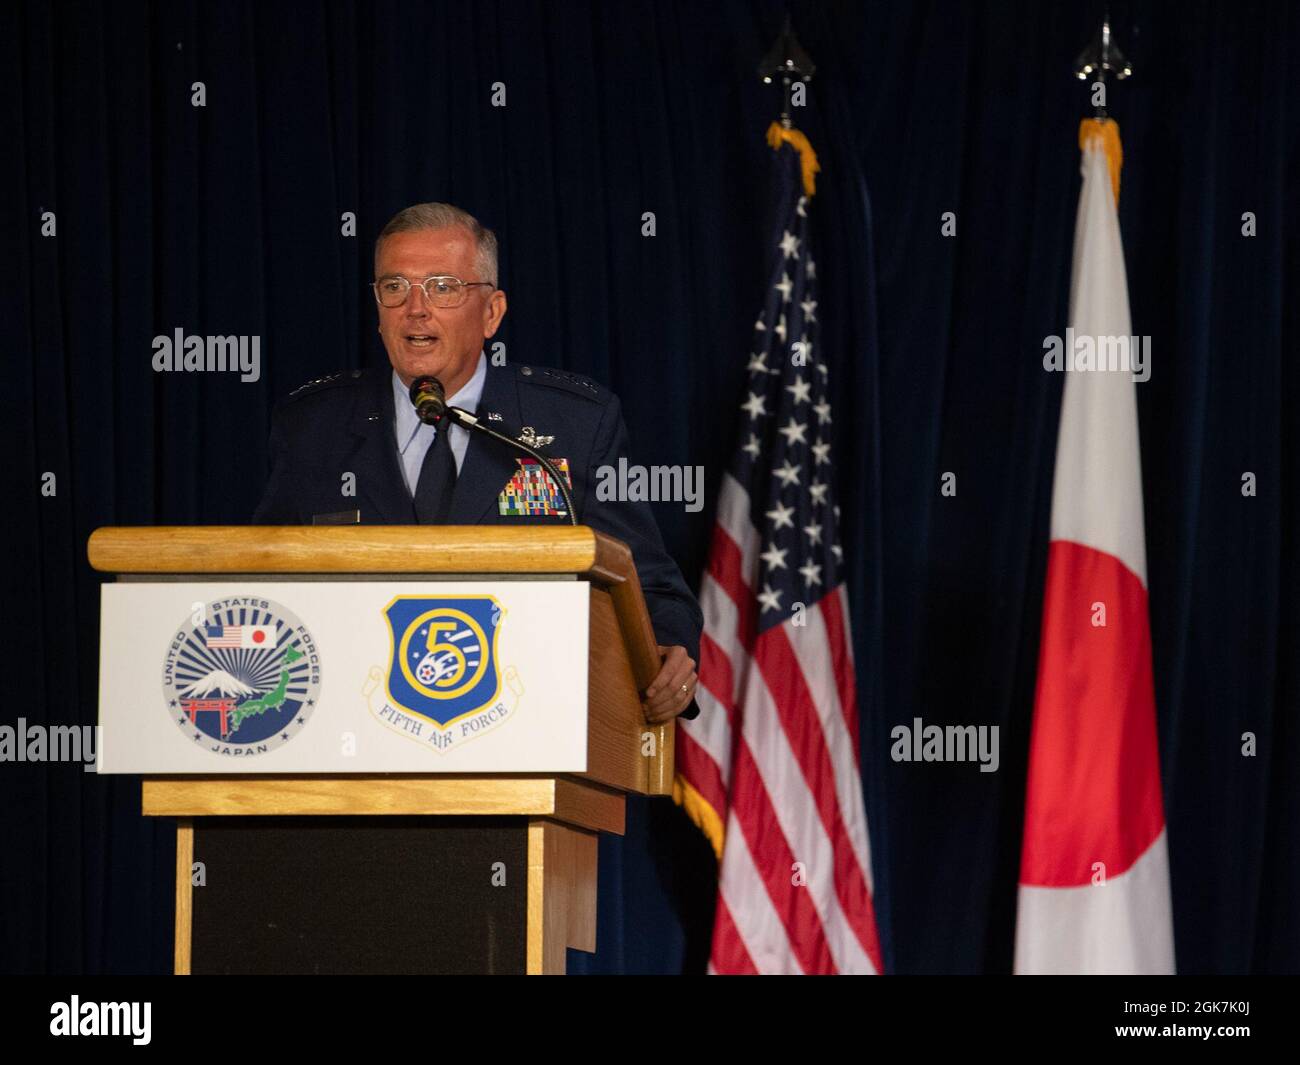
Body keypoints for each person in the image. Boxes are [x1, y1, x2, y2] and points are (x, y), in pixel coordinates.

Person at [253, 202, 701, 722]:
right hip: (356, 737)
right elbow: (264, 582)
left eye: (443, 287)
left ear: (492, 313)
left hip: (525, 737)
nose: (415, 309)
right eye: (394, 287)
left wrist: (666, 650)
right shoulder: (312, 427)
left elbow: (649, 585)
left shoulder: (577, 424)